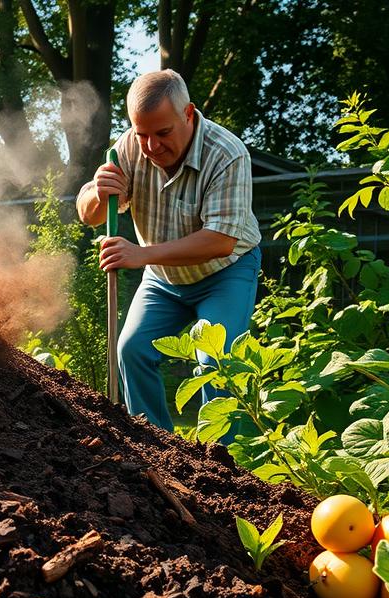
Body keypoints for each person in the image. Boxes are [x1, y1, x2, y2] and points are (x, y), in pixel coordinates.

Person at [76, 69, 262, 433]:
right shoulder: (129, 146)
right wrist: (98, 193)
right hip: (163, 278)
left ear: (188, 114)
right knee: (132, 350)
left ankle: (225, 466)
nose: (151, 146)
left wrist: (141, 255)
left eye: (162, 133)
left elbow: (220, 241)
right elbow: (90, 215)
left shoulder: (226, 154)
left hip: (225, 271)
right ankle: (157, 448)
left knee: (215, 362)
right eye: (142, 134)